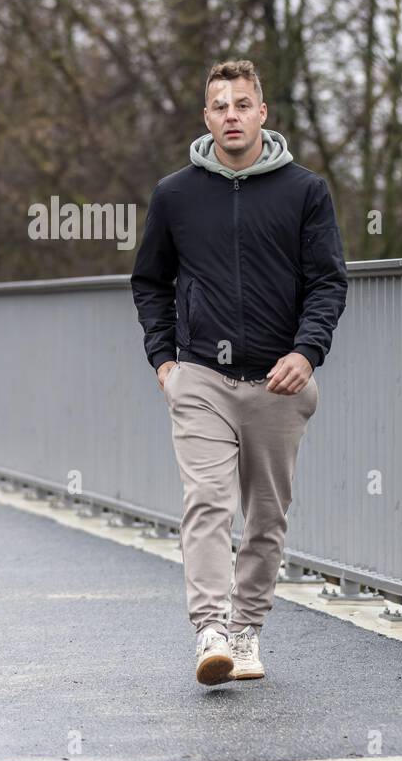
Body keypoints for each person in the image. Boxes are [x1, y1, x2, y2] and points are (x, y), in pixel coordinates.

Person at [131, 59, 348, 686]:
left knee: (266, 515)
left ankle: (248, 629)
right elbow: (150, 280)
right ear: (207, 118)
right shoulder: (175, 195)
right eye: (220, 105)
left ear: (262, 114)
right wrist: (165, 360)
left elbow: (328, 283)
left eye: (242, 104)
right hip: (200, 377)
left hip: (279, 381)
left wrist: (306, 352)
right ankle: (210, 630)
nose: (232, 115)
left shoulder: (305, 192)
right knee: (207, 503)